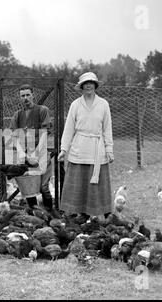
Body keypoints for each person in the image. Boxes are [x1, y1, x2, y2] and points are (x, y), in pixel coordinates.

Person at [57, 72, 114, 219]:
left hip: (97, 149)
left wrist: (109, 149)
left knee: (97, 183)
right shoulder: (75, 105)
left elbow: (107, 129)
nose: (88, 85)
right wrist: (64, 149)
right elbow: (69, 128)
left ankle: (100, 212)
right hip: (79, 148)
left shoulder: (103, 104)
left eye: (91, 83)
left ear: (95, 85)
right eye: (85, 83)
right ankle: (80, 213)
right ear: (81, 87)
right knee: (79, 183)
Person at [10, 84, 61, 219]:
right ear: (20, 98)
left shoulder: (42, 110)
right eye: (22, 96)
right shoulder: (17, 115)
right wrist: (21, 153)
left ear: (33, 95)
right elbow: (14, 136)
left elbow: (45, 133)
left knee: (44, 186)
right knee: (28, 187)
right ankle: (35, 213)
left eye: (28, 95)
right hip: (25, 154)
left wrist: (36, 154)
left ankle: (50, 211)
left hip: (41, 153)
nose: (25, 98)